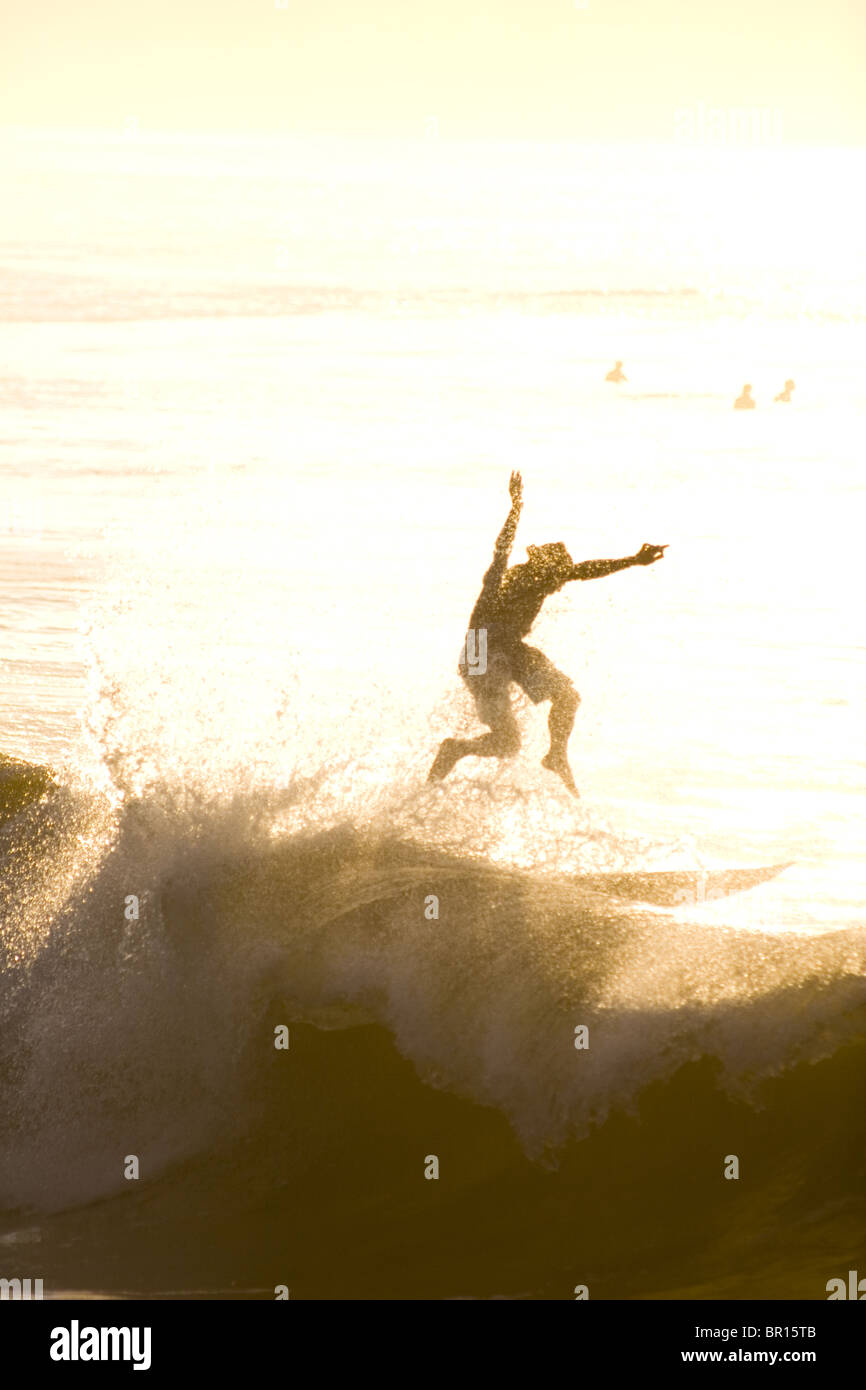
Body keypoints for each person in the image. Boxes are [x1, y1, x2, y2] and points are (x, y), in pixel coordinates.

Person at [427, 472, 667, 795]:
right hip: (479, 649)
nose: (561, 582)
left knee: (565, 698)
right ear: (545, 569)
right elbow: (502, 550)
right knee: (509, 740)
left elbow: (582, 570)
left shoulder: (541, 582)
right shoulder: (505, 580)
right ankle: (453, 750)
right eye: (559, 575)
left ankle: (555, 754)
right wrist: (515, 510)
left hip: (509, 650)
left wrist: (633, 561)